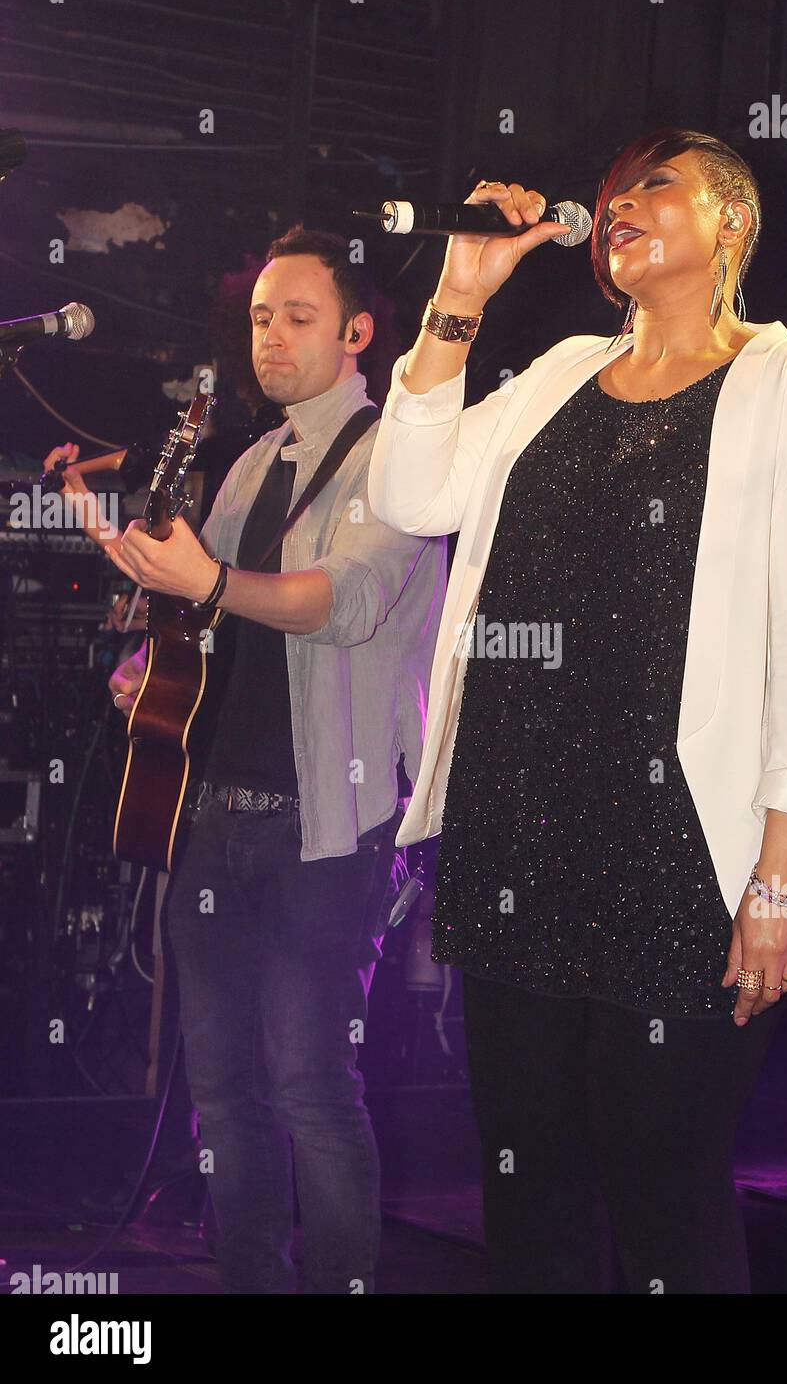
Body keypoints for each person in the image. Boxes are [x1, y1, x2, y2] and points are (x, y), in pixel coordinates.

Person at [368, 128, 787, 1293]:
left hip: (680, 845)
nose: (615, 205)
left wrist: (785, 868)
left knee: (659, 1174)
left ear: (730, 223)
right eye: (606, 193)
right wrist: (459, 298)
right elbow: (409, 493)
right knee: (526, 1176)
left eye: (653, 185)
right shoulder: (553, 372)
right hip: (517, 824)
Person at [106, 227, 446, 1294]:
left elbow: (336, 603)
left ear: (355, 334)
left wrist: (205, 583)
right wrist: (150, 646)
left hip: (327, 829)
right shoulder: (253, 459)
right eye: (260, 316)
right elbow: (206, 623)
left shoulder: (397, 463)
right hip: (214, 817)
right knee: (223, 1090)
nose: (272, 336)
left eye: (298, 317)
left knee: (309, 1085)